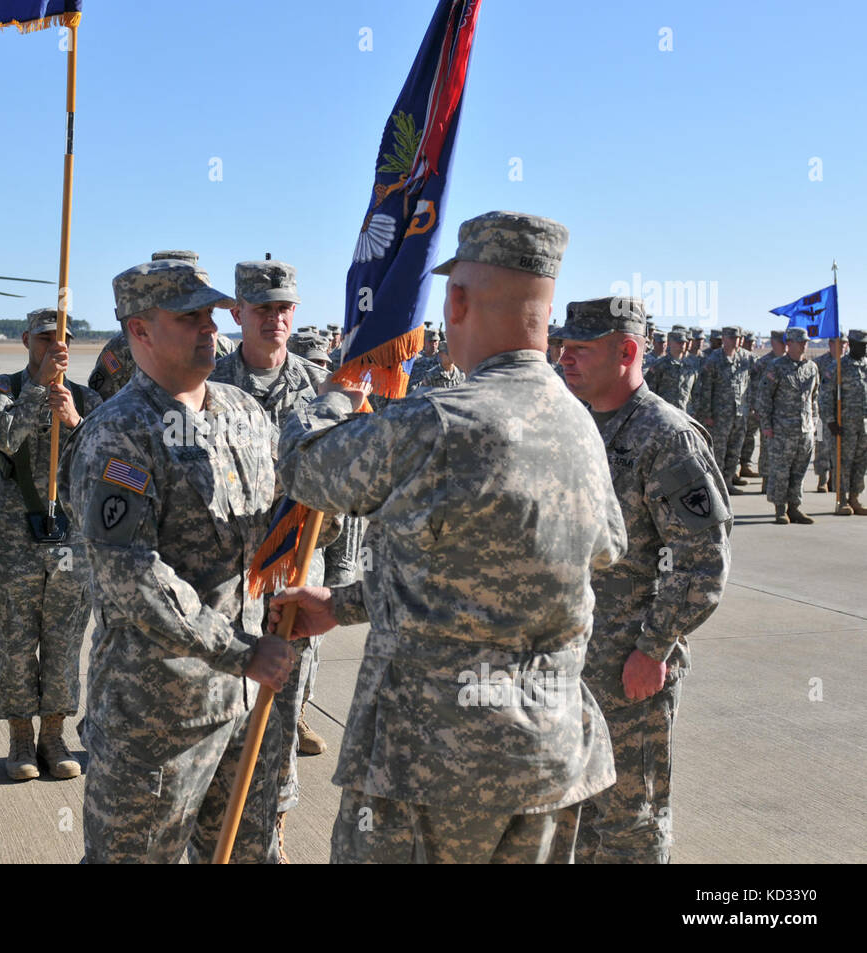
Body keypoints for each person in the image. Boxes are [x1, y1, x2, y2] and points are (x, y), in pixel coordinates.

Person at [270, 211, 626, 863]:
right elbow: (577, 558)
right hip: (547, 760)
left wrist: (338, 394)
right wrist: (343, 604)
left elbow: (302, 463)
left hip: (429, 766)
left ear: (456, 299)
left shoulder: (439, 420)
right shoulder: (580, 426)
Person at [59, 257, 294, 863]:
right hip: (158, 717)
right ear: (139, 330)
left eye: (212, 314)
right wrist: (242, 652)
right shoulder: (119, 435)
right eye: (189, 317)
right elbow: (130, 578)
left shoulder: (244, 414)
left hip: (247, 708)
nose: (210, 328)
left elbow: (278, 528)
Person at [557, 297, 731, 863]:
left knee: (631, 824)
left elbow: (704, 563)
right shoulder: (576, 424)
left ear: (627, 352)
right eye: (562, 347)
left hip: (628, 667)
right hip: (568, 662)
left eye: (580, 349)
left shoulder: (667, 436)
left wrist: (653, 648)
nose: (564, 359)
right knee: (574, 816)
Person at [209, 259, 332, 857]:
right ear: (237, 314)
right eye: (262, 309)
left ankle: (272, 831)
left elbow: (347, 495)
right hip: (226, 580)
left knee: (282, 713)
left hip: (294, 582)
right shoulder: (208, 383)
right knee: (223, 712)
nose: (275, 319)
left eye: (284, 308)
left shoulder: (321, 389)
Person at [0, 308, 102, 780]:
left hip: (72, 536)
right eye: (46, 338)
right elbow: (5, 437)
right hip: (16, 537)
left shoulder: (89, 398)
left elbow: (110, 455)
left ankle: (54, 734)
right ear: (27, 338)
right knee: (13, 640)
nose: (55, 346)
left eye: (63, 338)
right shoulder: (1, 389)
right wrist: (39, 391)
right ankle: (19, 740)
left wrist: (74, 419)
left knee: (64, 640)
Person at [88, 250, 236, 401]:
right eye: (189, 313)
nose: (210, 327)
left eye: (210, 312)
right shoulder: (121, 348)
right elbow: (100, 398)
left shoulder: (222, 347)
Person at [753, 326, 819, 524]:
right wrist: (766, 426)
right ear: (789, 344)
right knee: (781, 471)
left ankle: (794, 507)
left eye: (806, 342)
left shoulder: (811, 368)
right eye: (801, 342)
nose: (805, 345)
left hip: (805, 430)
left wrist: (814, 425)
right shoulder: (776, 367)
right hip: (781, 431)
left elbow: (814, 399)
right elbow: (764, 398)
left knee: (799, 472)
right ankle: (780, 509)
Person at [693, 326, 750, 489]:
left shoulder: (744, 358)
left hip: (739, 414)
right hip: (719, 416)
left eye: (738, 338)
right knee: (718, 452)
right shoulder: (714, 359)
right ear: (724, 339)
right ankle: (716, 486)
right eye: (732, 338)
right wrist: (707, 414)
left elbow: (750, 382)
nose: (736, 341)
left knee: (734, 451)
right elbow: (706, 389)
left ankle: (728, 482)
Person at [821, 329, 867, 515]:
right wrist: (831, 421)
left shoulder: (865, 365)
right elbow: (825, 396)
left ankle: (855, 498)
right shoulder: (838, 366)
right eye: (862, 345)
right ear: (853, 345)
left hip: (863, 426)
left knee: (860, 463)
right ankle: (842, 500)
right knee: (843, 464)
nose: (865, 348)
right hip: (844, 426)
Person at [751, 330, 786, 488]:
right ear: (773, 343)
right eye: (782, 342)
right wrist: (756, 408)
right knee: (766, 447)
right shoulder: (764, 363)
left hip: (786, 414)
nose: (785, 346)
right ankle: (766, 479)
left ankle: (780, 481)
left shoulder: (788, 362)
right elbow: (753, 387)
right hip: (768, 412)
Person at [814, 335, 847, 493]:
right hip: (822, 415)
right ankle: (822, 478)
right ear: (830, 344)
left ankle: (835, 479)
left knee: (838, 447)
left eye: (844, 344)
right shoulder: (819, 363)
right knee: (821, 446)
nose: (842, 347)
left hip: (842, 414)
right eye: (839, 344)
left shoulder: (847, 364)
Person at [643, 329, 697, 411]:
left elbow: (695, 392)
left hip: (684, 413)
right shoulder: (660, 365)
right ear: (669, 343)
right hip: (664, 412)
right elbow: (651, 390)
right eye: (679, 342)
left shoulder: (690, 366)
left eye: (684, 342)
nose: (682, 345)